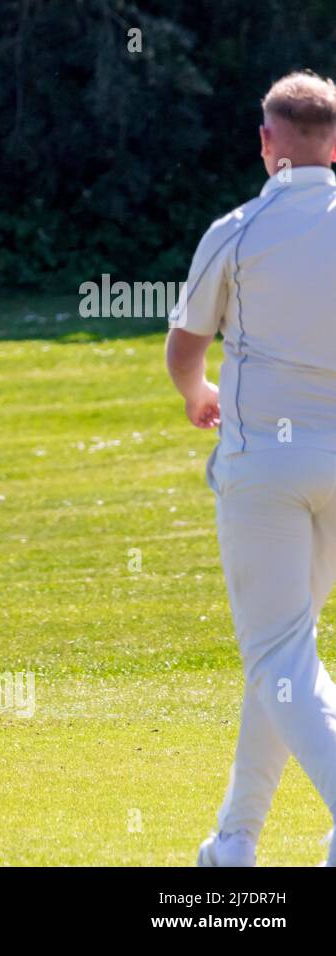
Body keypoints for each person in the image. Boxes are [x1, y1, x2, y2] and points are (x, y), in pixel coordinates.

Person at [169, 71, 336, 867]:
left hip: (263, 467)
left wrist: (198, 393)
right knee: (286, 656)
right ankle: (234, 842)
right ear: (334, 143)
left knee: (279, 656)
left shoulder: (236, 229)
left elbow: (184, 347)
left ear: (268, 142)